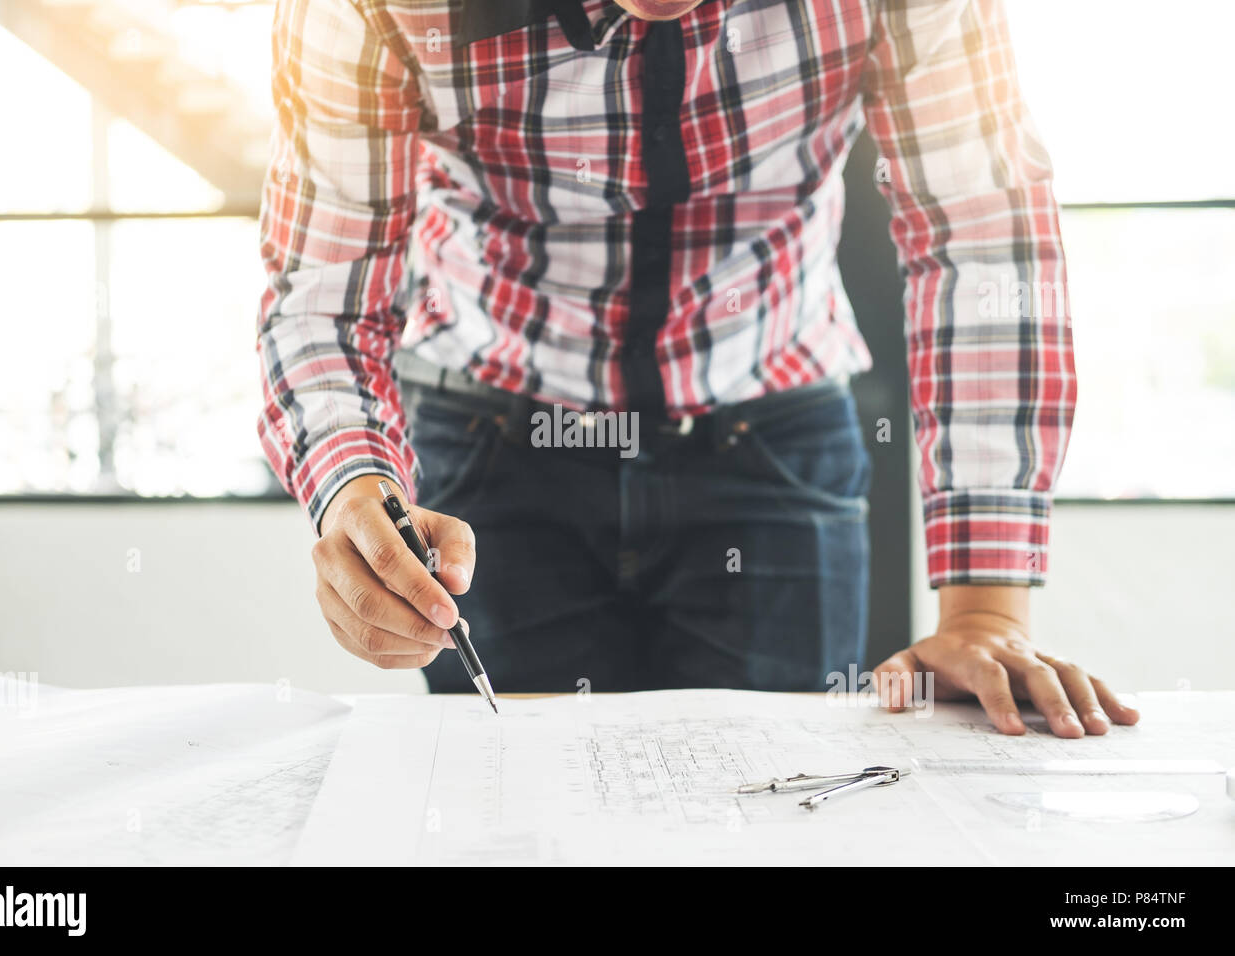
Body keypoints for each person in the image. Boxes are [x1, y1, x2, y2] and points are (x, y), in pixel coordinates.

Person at [257, 0, 1139, 736]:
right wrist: (352, 493)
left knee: (779, 817)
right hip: (491, 446)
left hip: (774, 435)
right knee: (519, 821)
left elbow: (979, 241)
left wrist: (986, 611)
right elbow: (322, 293)